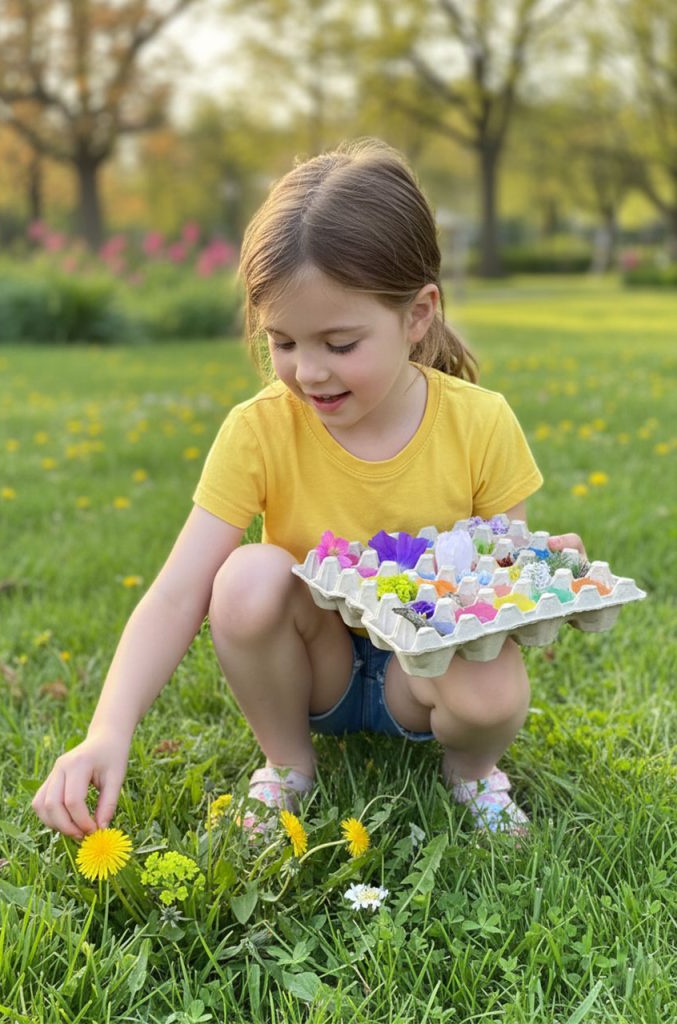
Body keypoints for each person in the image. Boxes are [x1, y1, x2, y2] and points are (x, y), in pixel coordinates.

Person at [32, 138, 585, 840]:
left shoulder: (479, 422)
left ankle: (472, 771)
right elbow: (178, 593)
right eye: (283, 343)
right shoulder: (260, 428)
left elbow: (497, 576)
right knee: (244, 576)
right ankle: (288, 763)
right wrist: (107, 730)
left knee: (489, 681)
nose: (309, 372)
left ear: (416, 316)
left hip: (424, 672)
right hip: (311, 664)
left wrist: (535, 569)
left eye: (340, 343)